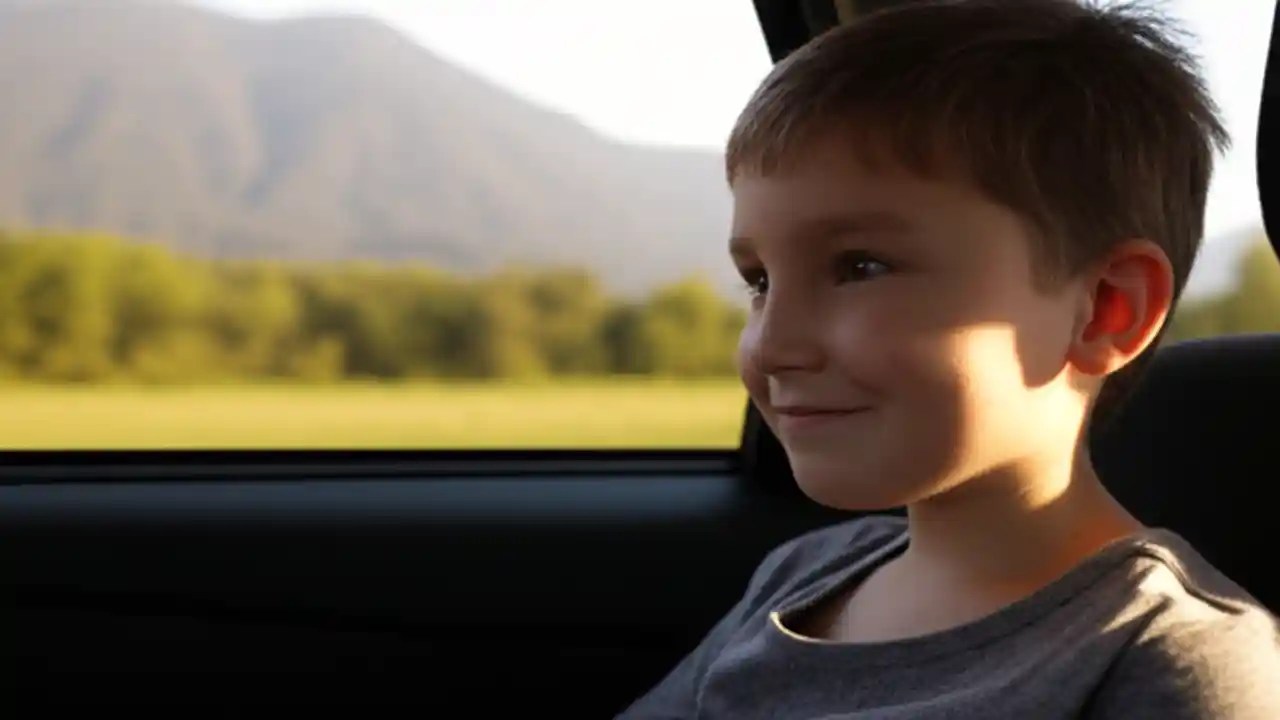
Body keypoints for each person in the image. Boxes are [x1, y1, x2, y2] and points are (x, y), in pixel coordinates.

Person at [617, 0, 1280, 717]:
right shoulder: (805, 576)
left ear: (1105, 309)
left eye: (860, 267)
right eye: (759, 281)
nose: (772, 346)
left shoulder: (1176, 664)